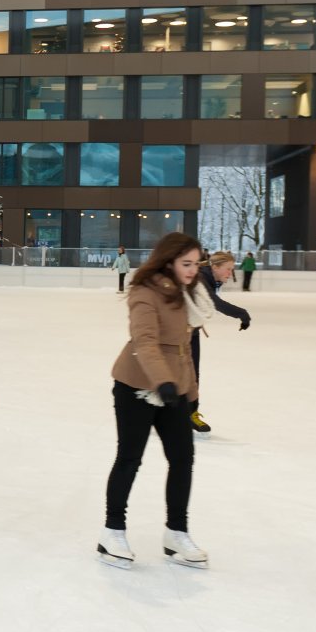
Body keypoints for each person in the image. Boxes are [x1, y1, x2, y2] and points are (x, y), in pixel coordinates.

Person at [99, 232, 208, 570]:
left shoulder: (185, 294)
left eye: (196, 263)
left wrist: (191, 394)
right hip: (136, 385)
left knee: (182, 459)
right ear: (169, 261)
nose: (193, 270)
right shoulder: (145, 292)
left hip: (172, 387)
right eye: (186, 263)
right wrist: (163, 381)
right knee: (130, 458)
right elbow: (145, 341)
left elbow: (183, 348)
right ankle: (112, 531)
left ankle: (176, 532)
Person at [186, 249, 251, 434]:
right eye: (228, 269)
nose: (230, 274)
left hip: (191, 331)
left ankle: (190, 414)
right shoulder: (201, 278)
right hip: (177, 334)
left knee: (192, 375)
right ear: (215, 267)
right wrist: (243, 314)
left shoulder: (209, 278)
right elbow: (215, 303)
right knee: (181, 375)